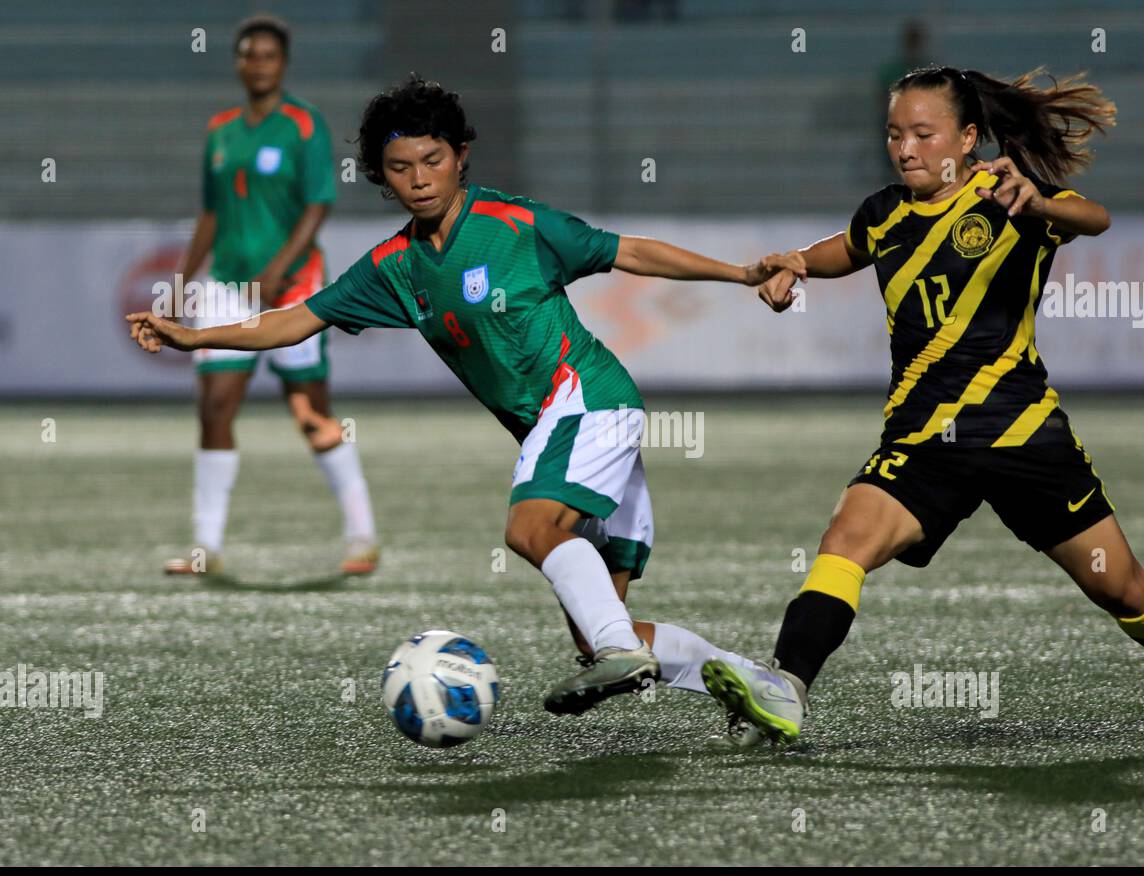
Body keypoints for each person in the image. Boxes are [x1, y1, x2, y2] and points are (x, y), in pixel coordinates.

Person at [128, 75, 805, 727]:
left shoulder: (515, 225)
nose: (419, 178)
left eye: (432, 159)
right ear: (380, 175)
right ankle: (756, 682)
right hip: (572, 427)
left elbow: (628, 252)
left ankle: (620, 652)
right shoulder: (395, 267)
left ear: (460, 158)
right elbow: (295, 318)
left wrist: (743, 273)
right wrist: (193, 336)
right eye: (399, 167)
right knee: (598, 627)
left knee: (530, 531)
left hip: (588, 399)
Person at [702, 65, 1144, 747]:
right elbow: (846, 250)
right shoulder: (883, 212)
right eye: (894, 134)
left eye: (923, 133)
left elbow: (1095, 217)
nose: (906, 148)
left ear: (968, 136)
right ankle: (786, 688)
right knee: (844, 542)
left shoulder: (1008, 198)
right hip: (921, 443)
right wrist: (794, 262)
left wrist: (1040, 205)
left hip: (1022, 436)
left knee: (1120, 587)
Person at [167, 14, 378, 577]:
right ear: (237, 62)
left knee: (311, 414)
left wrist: (278, 270)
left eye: (267, 55)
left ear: (283, 63)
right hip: (229, 286)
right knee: (215, 407)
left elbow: (318, 204)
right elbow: (211, 212)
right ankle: (204, 547)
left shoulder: (302, 125)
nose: (257, 63)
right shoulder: (220, 130)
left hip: (294, 285)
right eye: (248, 55)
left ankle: (362, 537)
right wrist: (186, 278)